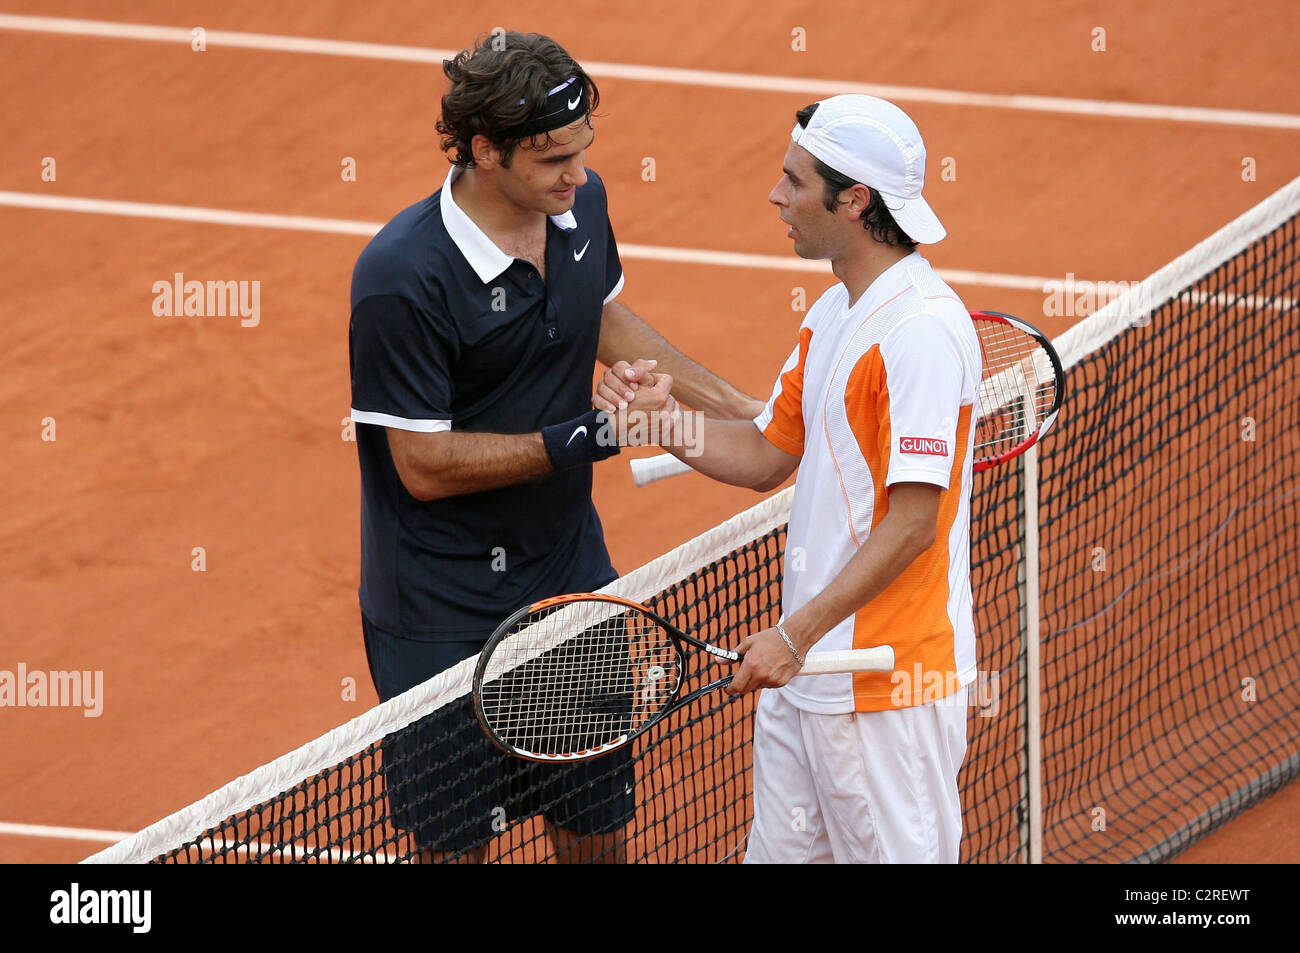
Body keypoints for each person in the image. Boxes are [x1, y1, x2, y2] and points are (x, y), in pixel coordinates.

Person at [347, 31, 761, 864]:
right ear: (484, 151)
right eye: (551, 161)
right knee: (457, 846)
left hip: (571, 581)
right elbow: (422, 467)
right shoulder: (402, 278)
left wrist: (740, 403)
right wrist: (590, 436)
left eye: (583, 152)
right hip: (440, 612)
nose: (576, 178)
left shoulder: (579, 207)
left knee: (596, 831)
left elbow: (598, 312)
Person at [596, 95, 979, 863]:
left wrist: (794, 636)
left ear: (856, 201)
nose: (777, 197)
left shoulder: (921, 334)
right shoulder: (836, 312)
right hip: (804, 681)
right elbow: (769, 454)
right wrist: (651, 418)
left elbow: (913, 522)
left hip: (881, 686)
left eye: (795, 182)